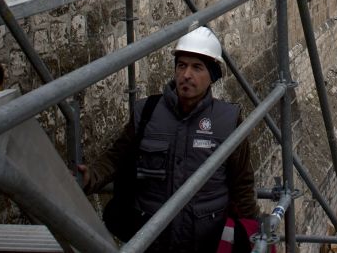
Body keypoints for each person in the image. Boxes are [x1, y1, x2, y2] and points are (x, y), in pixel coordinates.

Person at [78, 27, 258, 250]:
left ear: (212, 75)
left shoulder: (228, 121)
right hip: (153, 240)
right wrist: (89, 177)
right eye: (181, 65)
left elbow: (242, 184)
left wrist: (253, 234)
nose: (186, 75)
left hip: (206, 242)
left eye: (197, 67)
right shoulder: (146, 113)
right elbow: (116, 158)